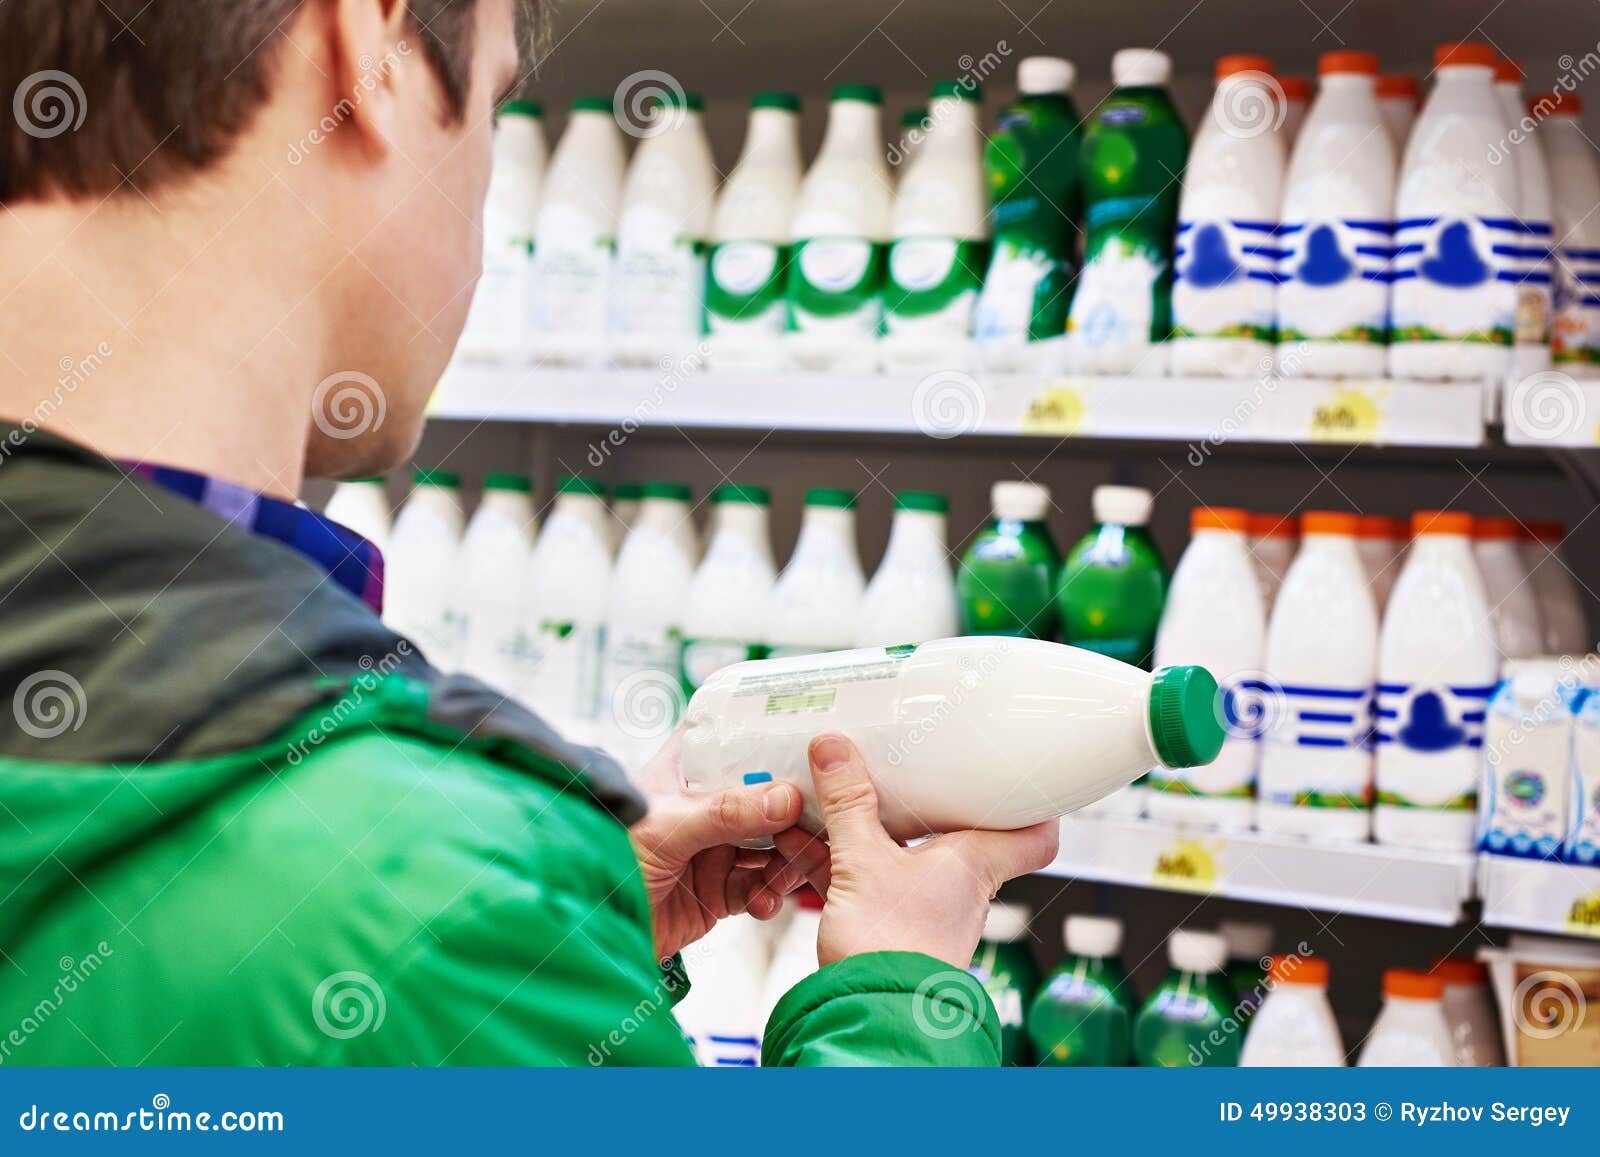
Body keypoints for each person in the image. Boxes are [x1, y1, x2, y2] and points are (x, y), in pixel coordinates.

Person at [0, 0, 1057, 1065]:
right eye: (499, 103)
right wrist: (897, 997)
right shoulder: (420, 895)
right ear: (367, 46)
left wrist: (557, 978)